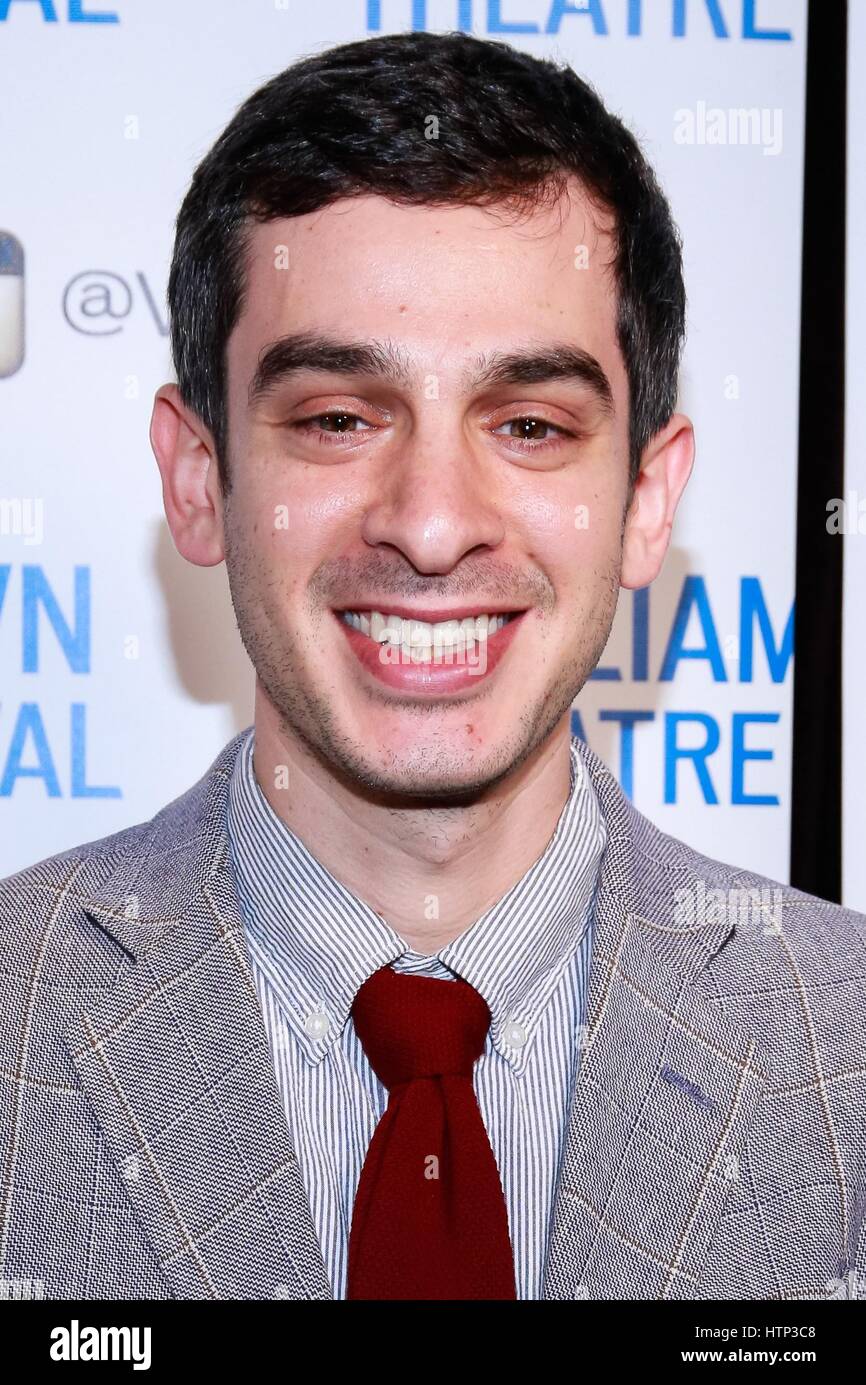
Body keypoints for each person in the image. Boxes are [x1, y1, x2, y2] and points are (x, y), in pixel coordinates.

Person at [1, 30, 864, 1303]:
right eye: (339, 418)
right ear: (197, 478)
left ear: (643, 500)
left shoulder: (844, 1043)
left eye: (528, 425)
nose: (429, 519)